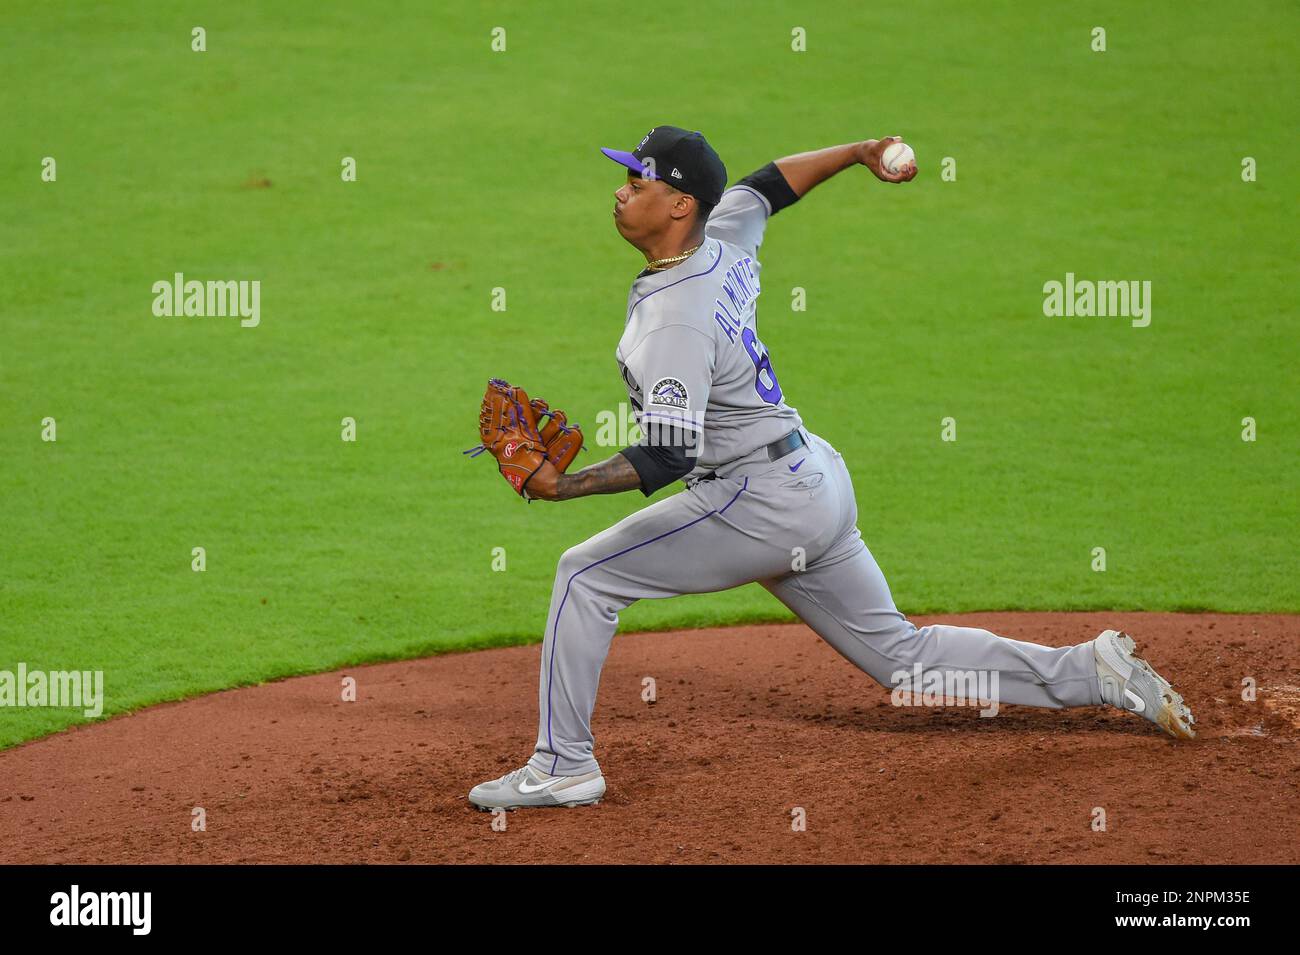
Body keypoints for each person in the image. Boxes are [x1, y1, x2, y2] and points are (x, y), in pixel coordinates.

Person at [468, 126, 1195, 811]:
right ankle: (1093, 669)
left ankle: (563, 767)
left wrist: (562, 485)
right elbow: (767, 186)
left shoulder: (675, 319)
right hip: (812, 480)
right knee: (904, 661)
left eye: (639, 178)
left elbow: (668, 454)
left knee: (586, 575)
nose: (622, 187)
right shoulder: (721, 236)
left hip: (755, 500)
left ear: (680, 205)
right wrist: (857, 150)